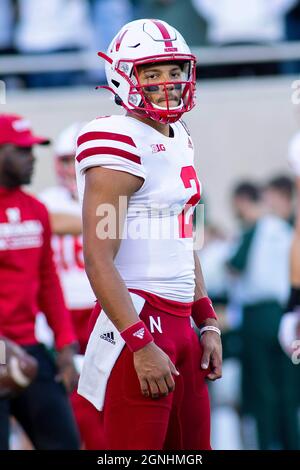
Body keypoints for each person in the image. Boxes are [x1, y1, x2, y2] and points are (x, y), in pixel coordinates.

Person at [76, 18, 222, 450]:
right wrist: (138, 341)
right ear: (123, 76)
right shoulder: (115, 140)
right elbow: (97, 258)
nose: (167, 83)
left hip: (181, 324)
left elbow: (185, 235)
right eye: (151, 73)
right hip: (138, 319)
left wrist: (206, 318)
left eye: (174, 71)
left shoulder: (181, 136)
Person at [0, 114, 80, 450]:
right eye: (22, 151)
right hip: (1, 348)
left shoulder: (35, 208)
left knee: (64, 442)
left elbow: (48, 281)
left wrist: (64, 344)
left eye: (33, 150)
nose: (32, 158)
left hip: (31, 348)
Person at [39, 123, 104, 449]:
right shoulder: (49, 200)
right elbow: (48, 220)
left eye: (75, 159)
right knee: (71, 396)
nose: (70, 168)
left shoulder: (110, 192)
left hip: (103, 307)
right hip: (62, 313)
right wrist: (103, 216)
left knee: (105, 393)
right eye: (64, 160)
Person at [227, 181, 299, 449]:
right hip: (284, 313)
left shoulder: (257, 227)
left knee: (262, 387)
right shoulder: (288, 230)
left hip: (258, 316)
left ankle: (268, 442)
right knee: (288, 387)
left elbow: (235, 265)